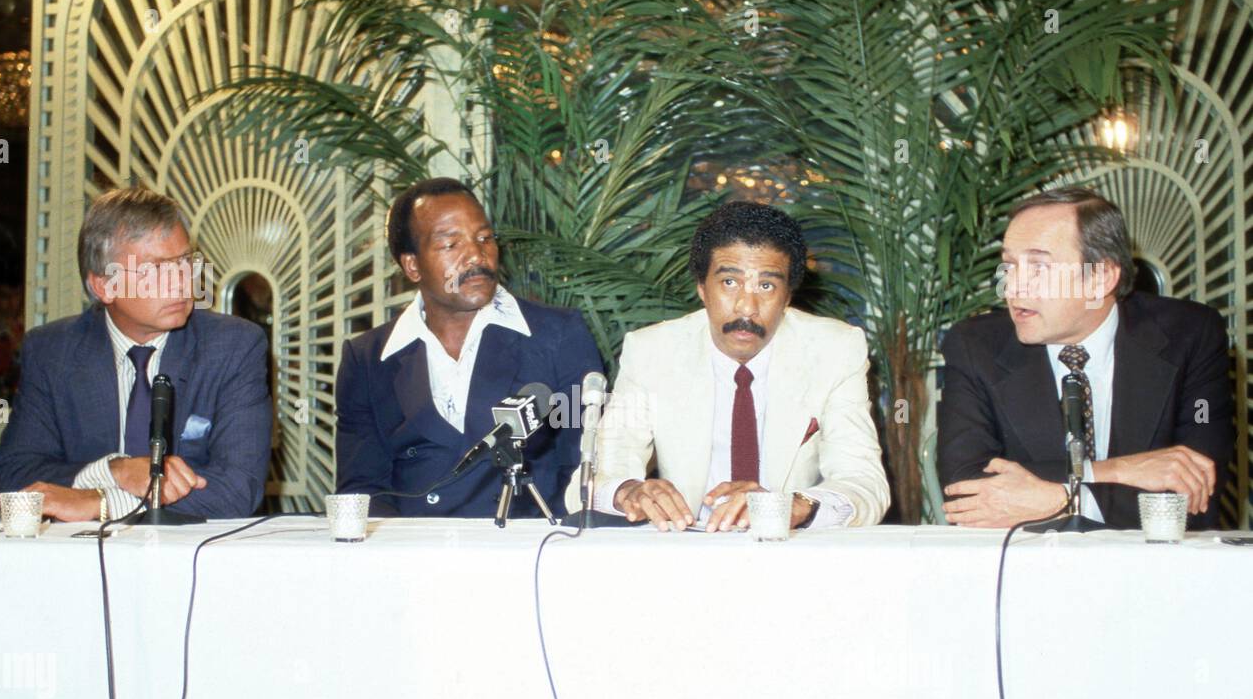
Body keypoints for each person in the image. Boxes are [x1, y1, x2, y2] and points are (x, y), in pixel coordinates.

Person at [568, 200, 890, 531]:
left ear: (788, 296)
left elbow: (865, 482)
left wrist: (795, 505)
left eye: (766, 286)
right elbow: (591, 479)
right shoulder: (651, 352)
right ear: (701, 289)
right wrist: (628, 491)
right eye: (729, 283)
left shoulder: (834, 350)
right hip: (686, 550)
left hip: (786, 548)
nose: (746, 307)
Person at [938, 187, 1233, 530]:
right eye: (1008, 267)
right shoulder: (976, 346)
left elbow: (1197, 498)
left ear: (1100, 277)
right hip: (1029, 567)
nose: (1013, 288)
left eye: (1038, 268)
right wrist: (1119, 471)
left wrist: (1058, 498)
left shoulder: (1189, 335)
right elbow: (966, 494)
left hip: (1151, 569)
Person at [0, 188, 272, 521]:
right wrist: (115, 471)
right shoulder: (53, 352)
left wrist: (102, 503)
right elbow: (13, 480)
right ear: (103, 286)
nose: (182, 282)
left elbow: (240, 490)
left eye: (185, 263)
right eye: (154, 270)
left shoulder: (233, 347)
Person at [335, 177, 604, 517]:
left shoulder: (557, 336)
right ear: (412, 265)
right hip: (412, 555)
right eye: (451, 244)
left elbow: (584, 468)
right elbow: (363, 491)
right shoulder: (369, 358)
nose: (477, 255)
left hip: (528, 553)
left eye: (484, 238)